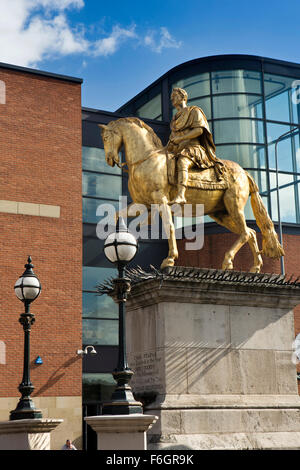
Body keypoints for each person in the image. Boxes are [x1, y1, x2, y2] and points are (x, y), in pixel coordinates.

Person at [167, 87, 225, 204]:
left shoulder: (194, 111)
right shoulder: (174, 121)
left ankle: (181, 194)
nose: (172, 98)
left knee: (182, 161)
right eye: (171, 97)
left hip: (194, 149)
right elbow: (173, 139)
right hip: (178, 150)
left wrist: (180, 138)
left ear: (183, 97)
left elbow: (199, 131)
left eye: (175, 95)